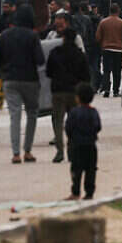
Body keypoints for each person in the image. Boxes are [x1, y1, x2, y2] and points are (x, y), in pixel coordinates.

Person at [0, 5, 44, 163]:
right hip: (30, 79)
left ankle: (15, 153)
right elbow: (40, 60)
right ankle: (27, 150)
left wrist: (4, 72)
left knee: (15, 116)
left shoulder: (5, 35)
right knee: (32, 113)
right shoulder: (33, 36)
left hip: (10, 79)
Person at [46, 27, 90, 163]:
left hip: (58, 91)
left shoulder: (55, 52)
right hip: (74, 92)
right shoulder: (80, 54)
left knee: (57, 121)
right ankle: (72, 148)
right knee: (75, 122)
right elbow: (86, 76)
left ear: (63, 38)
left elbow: (48, 72)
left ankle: (59, 151)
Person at [65, 82, 101, 200]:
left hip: (77, 146)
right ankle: (89, 192)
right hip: (91, 145)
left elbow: (68, 127)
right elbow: (98, 126)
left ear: (77, 97)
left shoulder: (74, 112)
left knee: (76, 169)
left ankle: (76, 192)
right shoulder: (94, 112)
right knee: (91, 170)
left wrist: (71, 138)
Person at [96, 4, 122, 98]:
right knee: (117, 71)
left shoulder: (103, 22)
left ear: (109, 11)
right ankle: (115, 90)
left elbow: (98, 37)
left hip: (106, 48)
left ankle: (106, 89)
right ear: (118, 11)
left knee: (106, 70)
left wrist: (102, 43)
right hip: (118, 49)